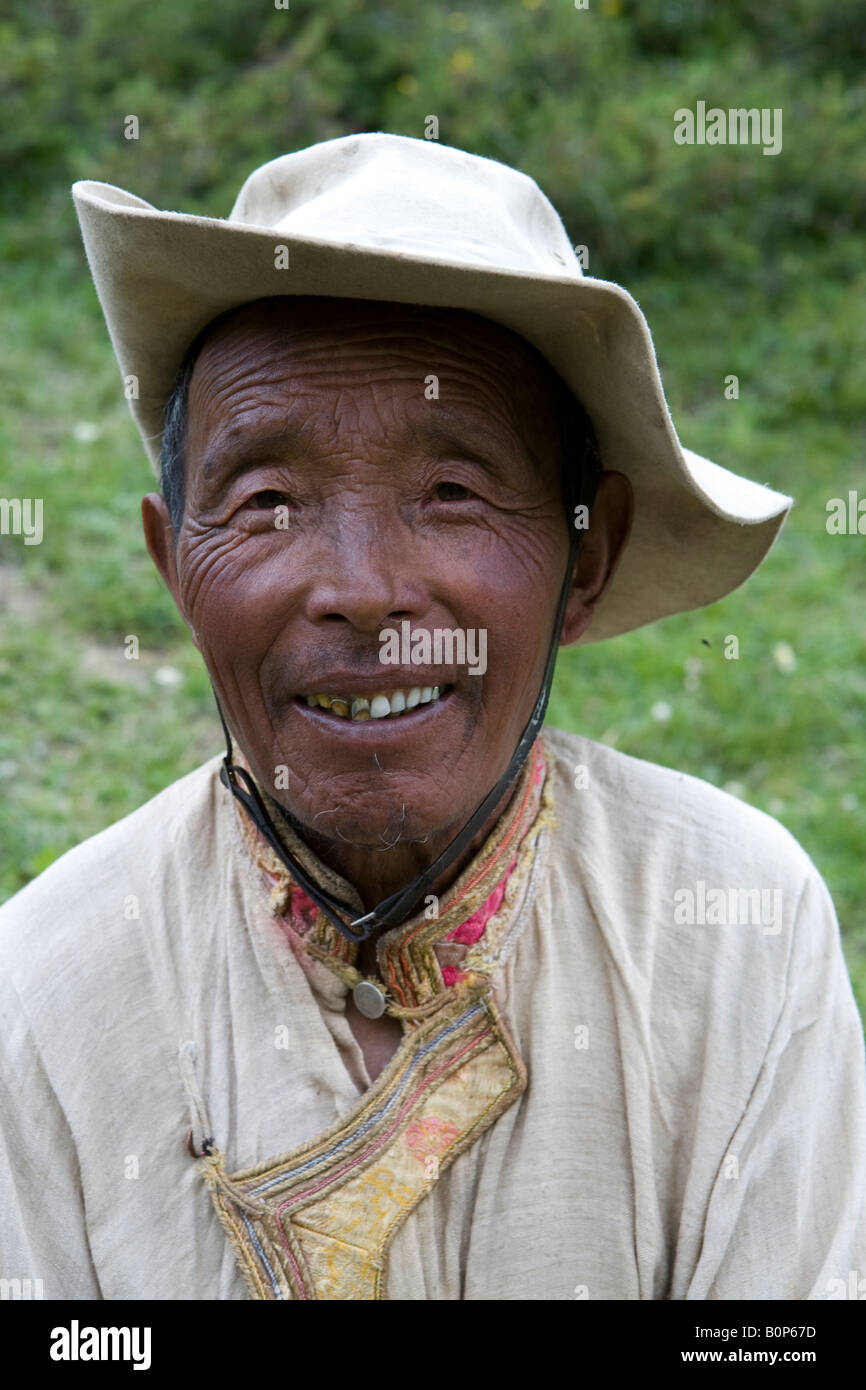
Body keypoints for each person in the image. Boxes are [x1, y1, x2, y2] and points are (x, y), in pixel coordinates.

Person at [0, 133, 863, 1301]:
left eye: (450, 492)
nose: (359, 586)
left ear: (585, 556)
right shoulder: (47, 991)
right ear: (173, 568)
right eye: (265, 501)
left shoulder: (732, 932)